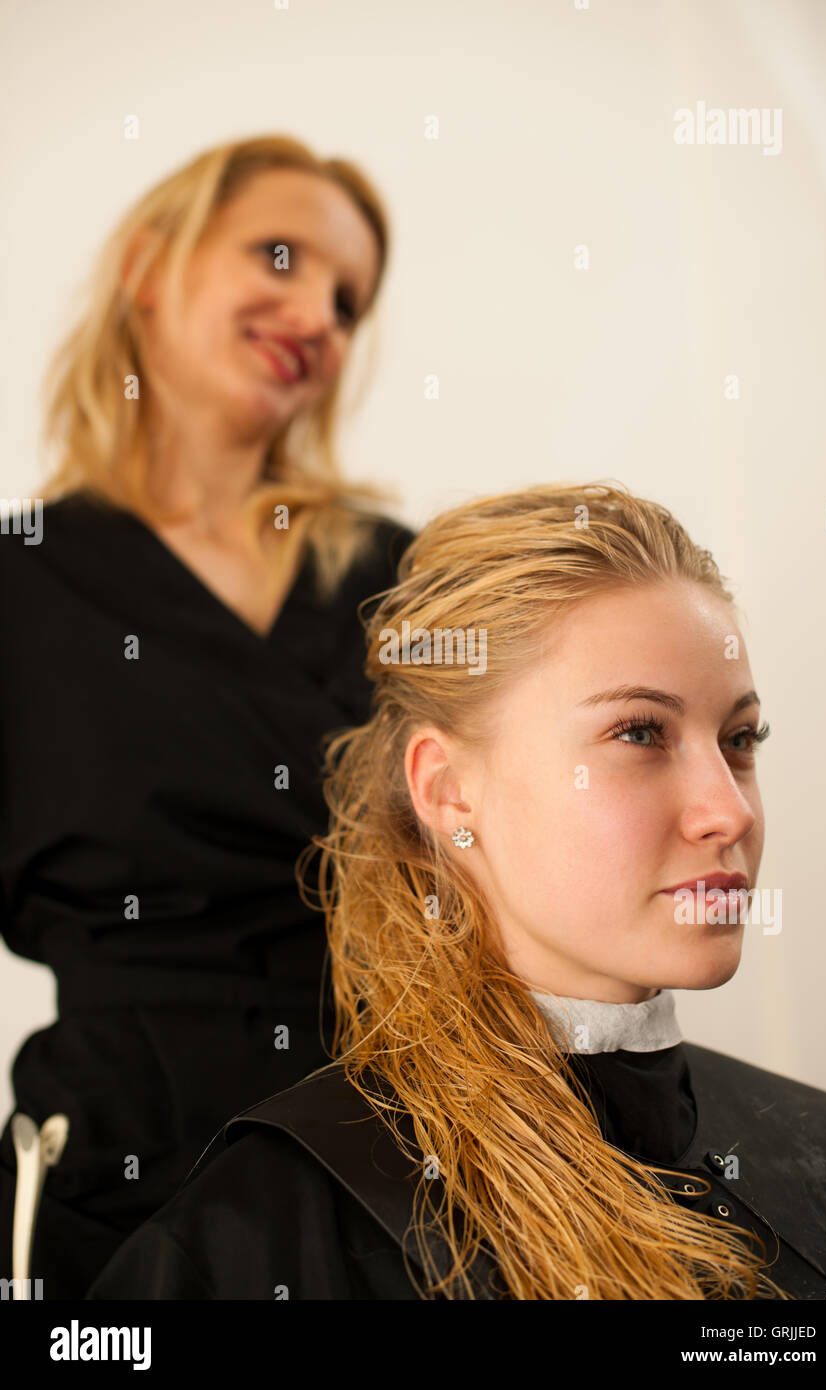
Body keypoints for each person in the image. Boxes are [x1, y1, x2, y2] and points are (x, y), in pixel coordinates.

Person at [86, 482, 826, 1301]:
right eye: (639, 733)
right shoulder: (265, 1237)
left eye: (739, 739)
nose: (728, 810)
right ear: (450, 788)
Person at [0, 133, 414, 1299]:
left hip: (392, 1151)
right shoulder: (20, 582)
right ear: (146, 268)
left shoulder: (400, 578)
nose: (318, 315)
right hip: (119, 1183)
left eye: (347, 300)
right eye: (278, 257)